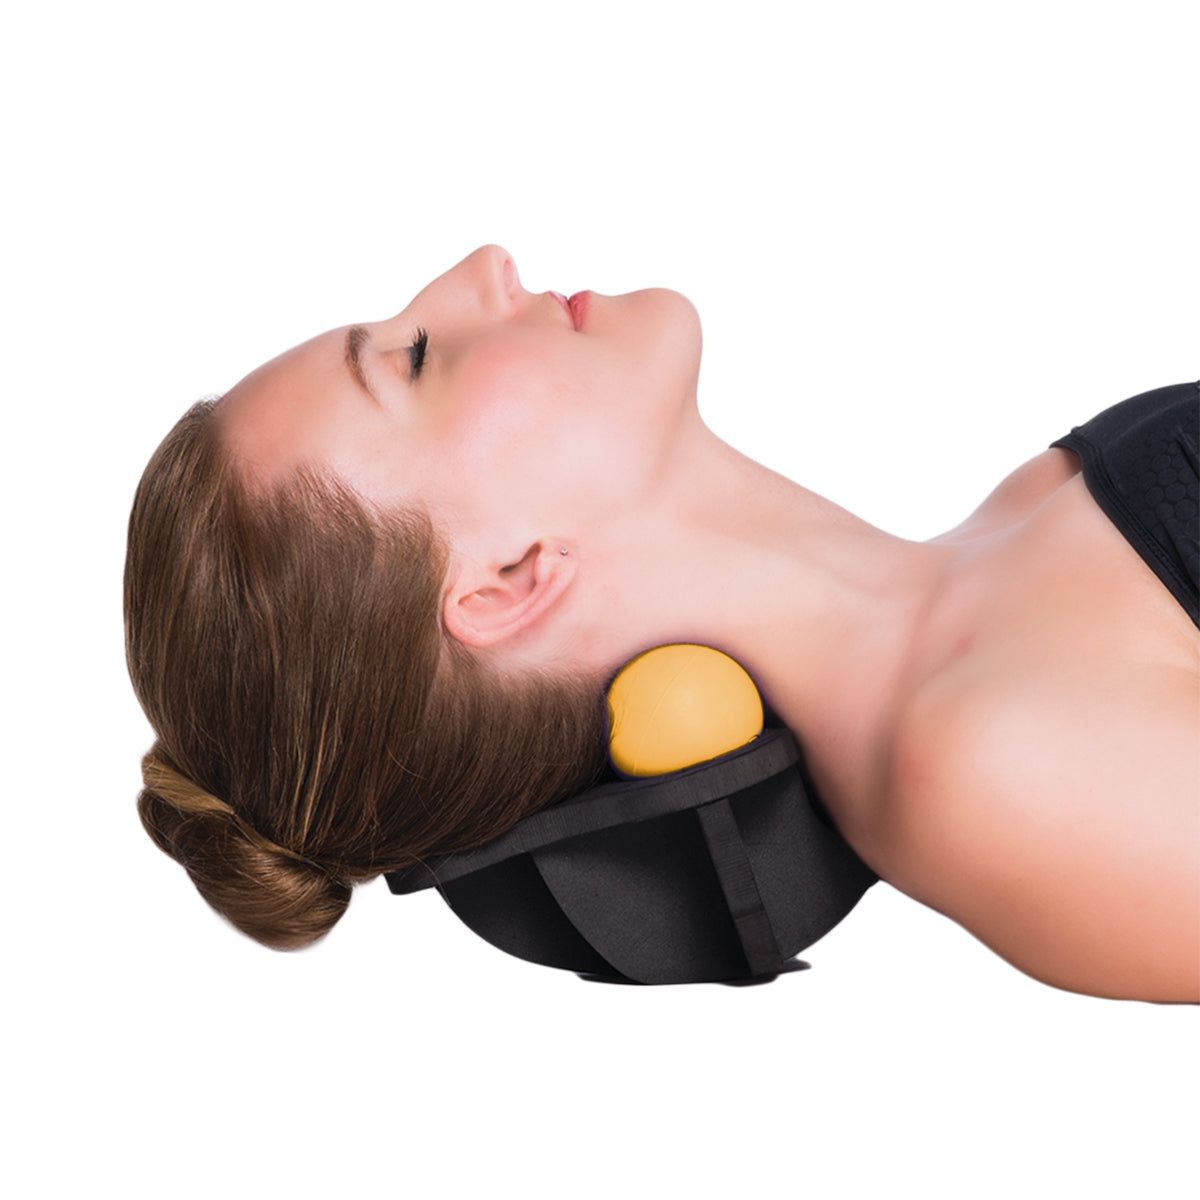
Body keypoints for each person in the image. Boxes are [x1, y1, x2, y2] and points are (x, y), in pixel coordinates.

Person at [125, 245, 1199, 1002]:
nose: (479, 265)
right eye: (414, 357)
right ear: (506, 582)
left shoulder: (1035, 506)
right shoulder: (991, 773)